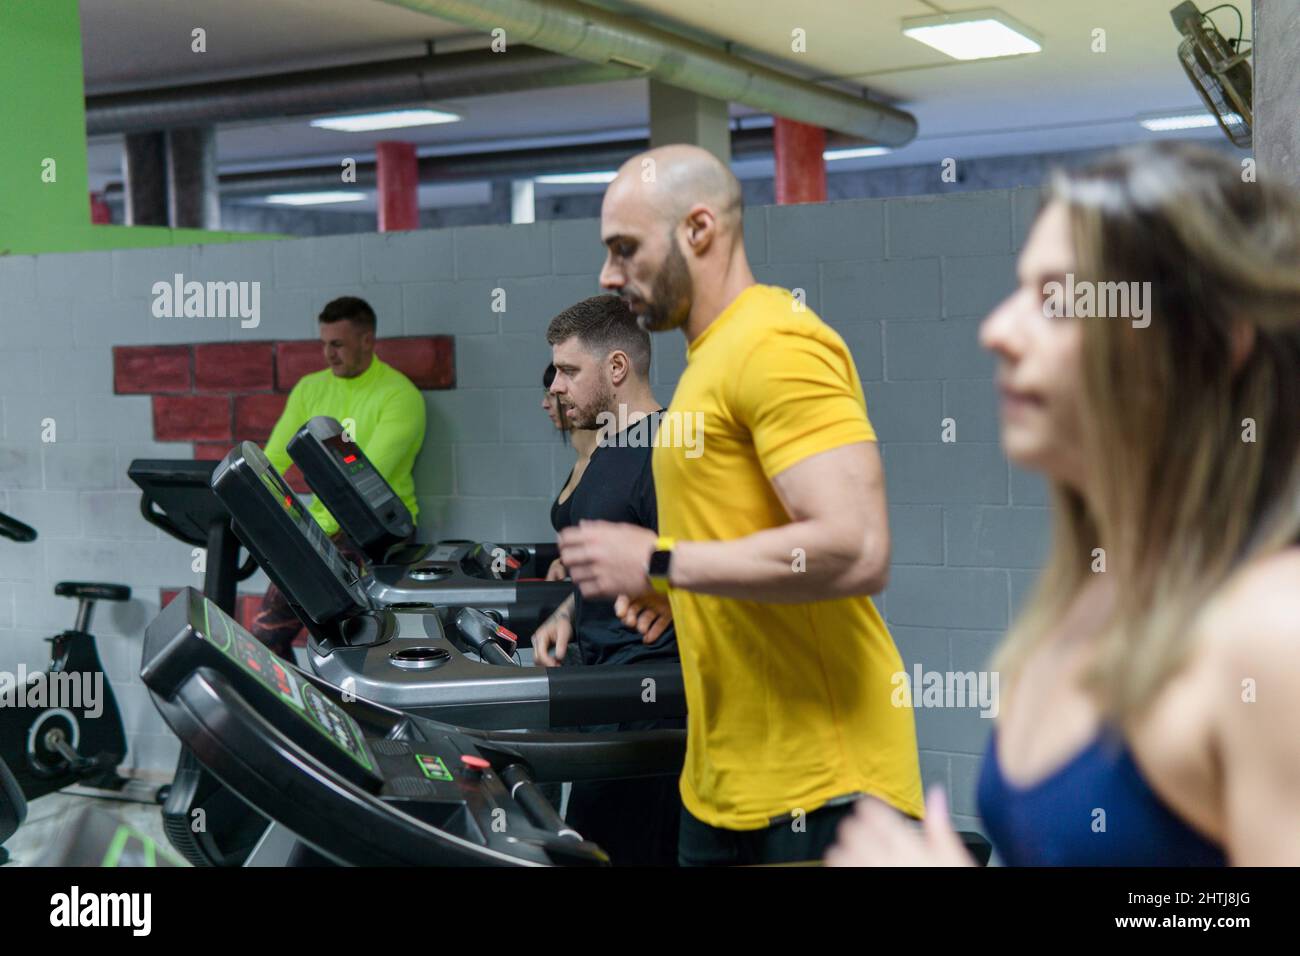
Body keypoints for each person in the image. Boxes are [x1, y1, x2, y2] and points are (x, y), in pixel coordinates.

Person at [826, 143, 1300, 867]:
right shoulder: (1089, 594)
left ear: (1209, 344)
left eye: (1059, 300)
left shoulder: (1271, 635)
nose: (998, 331)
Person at [557, 145, 923, 866]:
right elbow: (749, 535)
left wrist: (660, 557)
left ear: (698, 230)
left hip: (823, 781)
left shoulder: (778, 342)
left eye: (625, 249)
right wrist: (669, 588)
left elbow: (857, 545)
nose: (608, 274)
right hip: (722, 783)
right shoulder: (703, 368)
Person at [531, 294, 682, 865]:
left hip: (649, 705)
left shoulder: (665, 451)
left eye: (570, 370)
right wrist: (568, 612)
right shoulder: (607, 450)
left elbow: (705, 566)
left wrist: (671, 586)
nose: (558, 386)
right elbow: (619, 564)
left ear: (616, 368)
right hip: (602, 689)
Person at [252, 296, 426, 660]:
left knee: (358, 649)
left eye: (337, 344)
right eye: (324, 344)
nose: (328, 354)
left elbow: (359, 485)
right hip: (321, 530)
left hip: (378, 535)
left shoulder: (399, 396)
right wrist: (254, 503)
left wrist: (310, 534)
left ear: (367, 340)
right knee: (266, 635)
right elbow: (274, 457)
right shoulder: (310, 389)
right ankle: (294, 713)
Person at [541, 363, 598, 581]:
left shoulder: (602, 462)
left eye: (551, 394)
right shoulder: (581, 459)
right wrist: (563, 561)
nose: (544, 404)